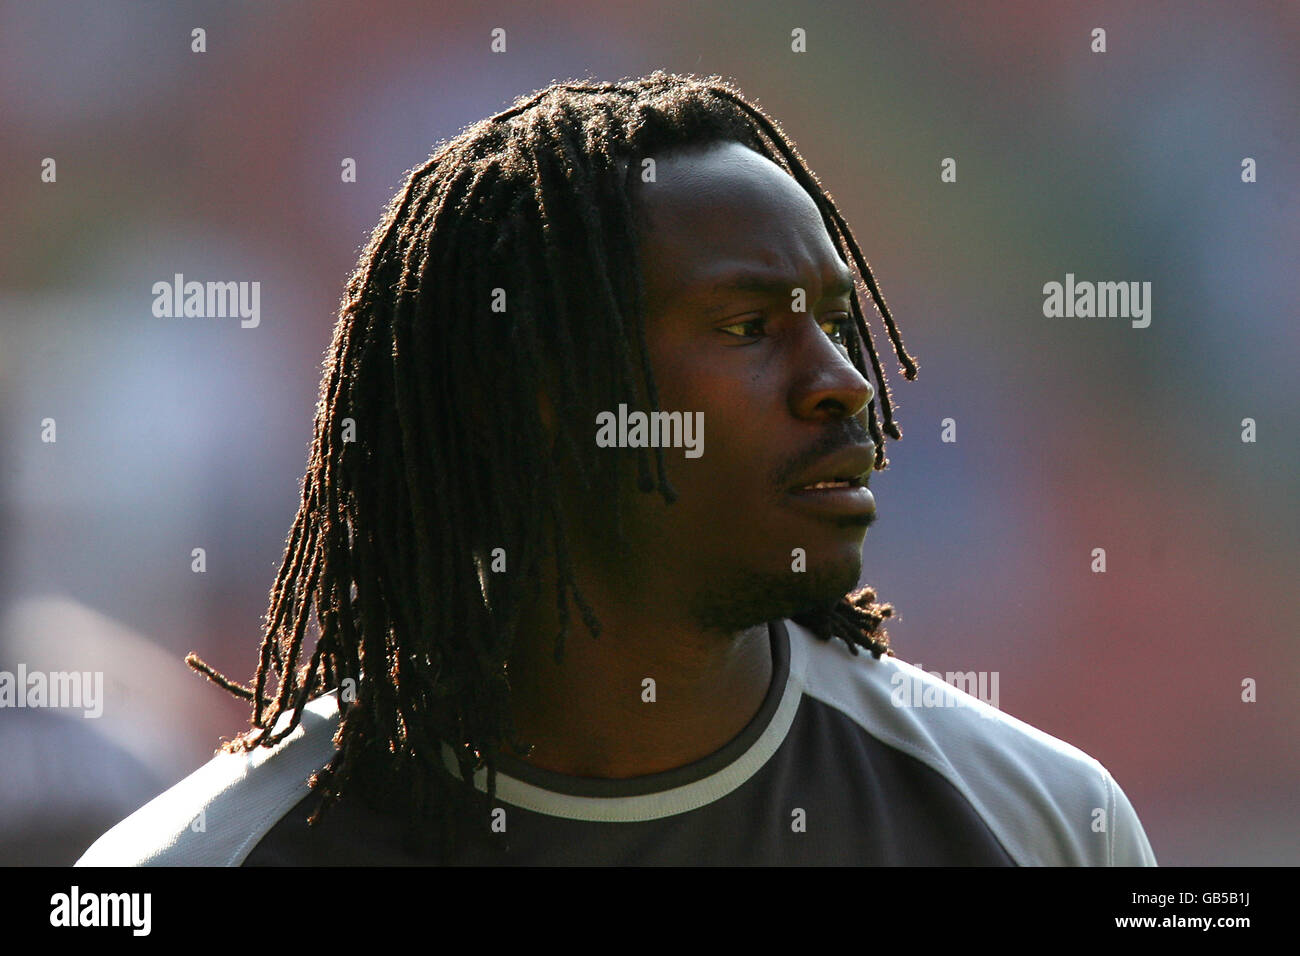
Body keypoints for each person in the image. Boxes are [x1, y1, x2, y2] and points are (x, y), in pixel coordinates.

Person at [77, 71, 1156, 866]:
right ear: (547, 399)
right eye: (746, 325)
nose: (843, 383)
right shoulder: (188, 867)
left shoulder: (1044, 824)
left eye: (835, 321)